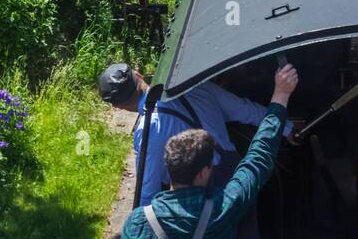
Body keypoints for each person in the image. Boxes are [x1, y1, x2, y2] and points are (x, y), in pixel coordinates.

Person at [113, 62, 299, 239]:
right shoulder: (197, 88)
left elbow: (147, 188)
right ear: (138, 75)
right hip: (229, 177)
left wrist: (140, 227)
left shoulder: (138, 224)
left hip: (181, 200)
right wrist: (284, 113)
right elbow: (256, 148)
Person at [97, 61, 296, 207]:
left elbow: (148, 190)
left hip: (196, 197)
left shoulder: (148, 130)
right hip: (233, 175)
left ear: (118, 107)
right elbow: (244, 110)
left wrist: (139, 232)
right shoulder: (193, 86)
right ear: (139, 75)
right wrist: (287, 128)